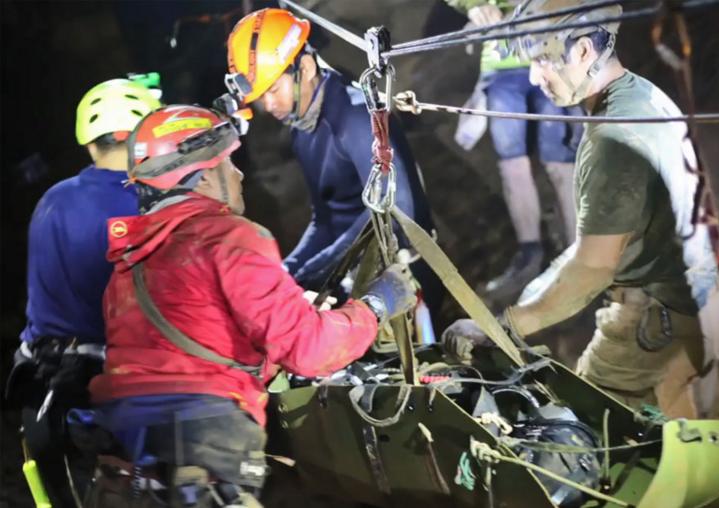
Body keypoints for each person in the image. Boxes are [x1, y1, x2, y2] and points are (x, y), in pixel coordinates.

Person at [82, 104, 416, 507]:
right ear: (205, 177)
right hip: (206, 448)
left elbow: (189, 349)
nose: (239, 175)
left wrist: (295, 315)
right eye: (229, 163)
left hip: (123, 454)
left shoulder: (128, 265)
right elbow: (309, 351)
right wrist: (377, 304)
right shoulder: (229, 238)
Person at [443, 0, 719, 418]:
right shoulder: (642, 94)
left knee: (586, 436)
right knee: (686, 456)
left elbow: (591, 269)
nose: (535, 78)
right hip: (704, 309)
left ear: (583, 52)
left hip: (655, 328)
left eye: (542, 60)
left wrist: (503, 327)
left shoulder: (612, 140)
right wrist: (516, 311)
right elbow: (587, 249)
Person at [5, 78, 161, 508]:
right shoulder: (150, 205)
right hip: (113, 400)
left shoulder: (51, 200)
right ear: (143, 138)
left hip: (42, 387)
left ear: (90, 144)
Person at [226, 8, 443, 315]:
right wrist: (289, 272)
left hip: (404, 278)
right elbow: (326, 219)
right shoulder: (303, 127)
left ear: (306, 67)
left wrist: (316, 269)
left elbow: (396, 213)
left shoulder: (356, 118)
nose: (269, 105)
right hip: (356, 273)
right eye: (261, 97)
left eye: (273, 89)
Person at [446, 0, 583, 300]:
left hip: (551, 54)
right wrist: (474, 5)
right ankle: (530, 255)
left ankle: (579, 256)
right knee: (512, 163)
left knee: (559, 159)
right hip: (500, 65)